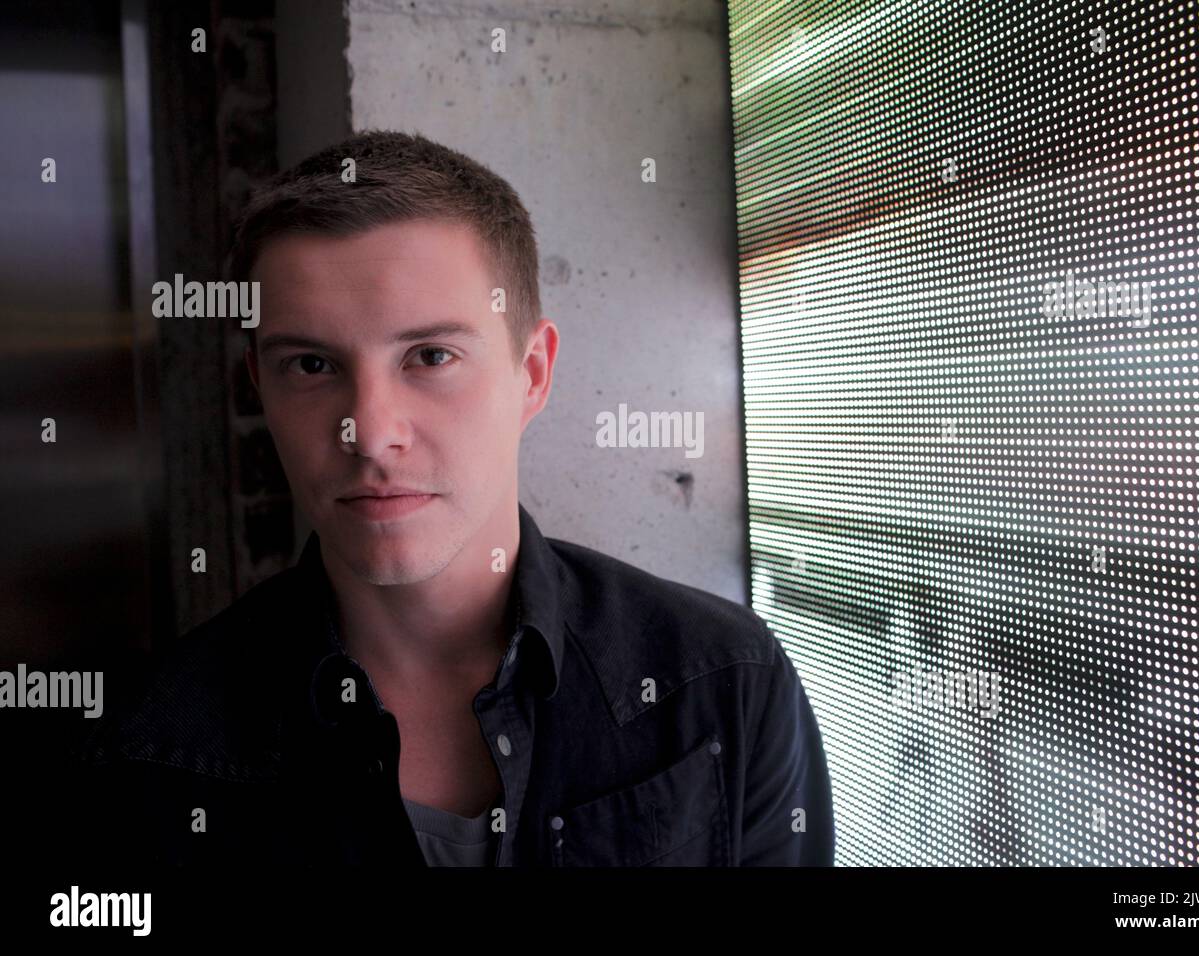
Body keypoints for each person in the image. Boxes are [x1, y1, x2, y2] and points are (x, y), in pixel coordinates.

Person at [65, 130, 835, 866]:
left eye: (431, 355)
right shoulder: (149, 752)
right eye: (310, 365)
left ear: (531, 374)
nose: (369, 433)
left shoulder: (725, 681)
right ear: (259, 388)